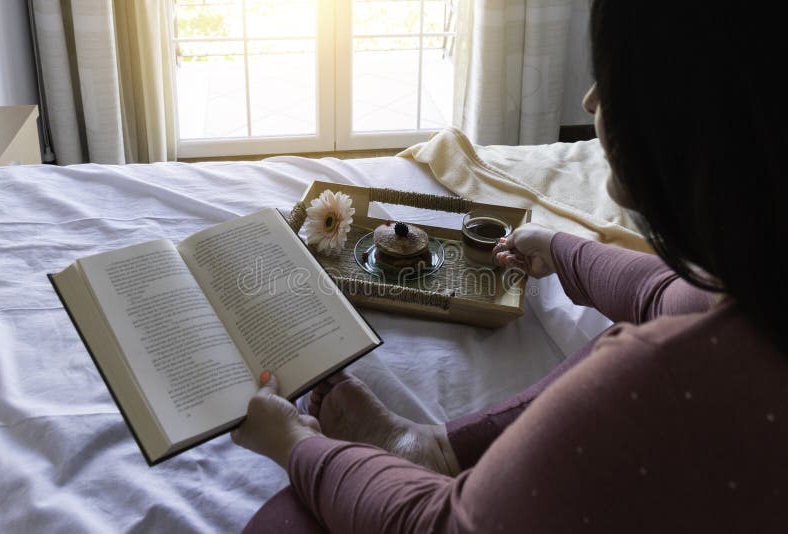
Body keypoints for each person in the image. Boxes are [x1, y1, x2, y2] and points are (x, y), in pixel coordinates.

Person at [231, 1, 788, 531]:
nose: (591, 102)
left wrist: (296, 445)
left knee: (284, 518)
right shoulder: (755, 301)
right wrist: (561, 248)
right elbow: (677, 298)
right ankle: (433, 449)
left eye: (614, 80)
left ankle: (426, 455)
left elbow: (439, 524)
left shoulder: (658, 377)